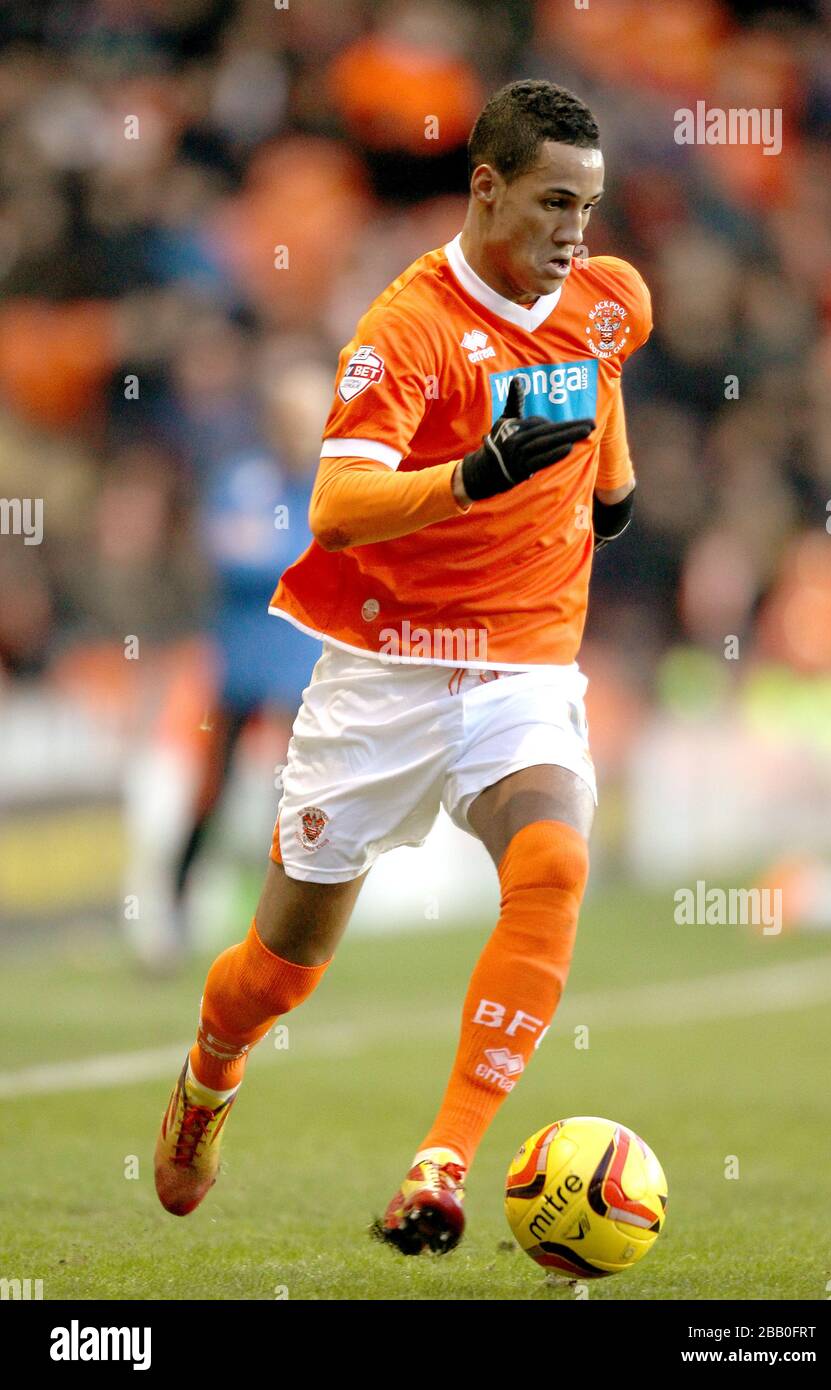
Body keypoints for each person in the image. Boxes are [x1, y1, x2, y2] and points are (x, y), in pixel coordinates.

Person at [154, 78, 652, 1257]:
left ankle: (443, 1163)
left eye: (586, 206)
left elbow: (607, 398)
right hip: (385, 671)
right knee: (279, 969)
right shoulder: (408, 328)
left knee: (554, 860)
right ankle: (210, 1070)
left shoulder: (605, 298)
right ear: (484, 190)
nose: (573, 233)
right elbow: (334, 505)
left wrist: (610, 491)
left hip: (522, 659)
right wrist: (478, 475)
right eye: (548, 204)